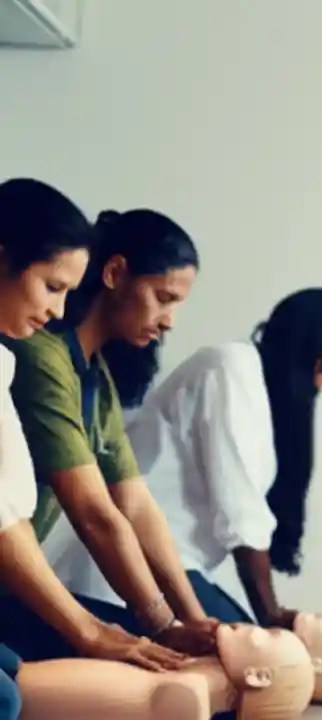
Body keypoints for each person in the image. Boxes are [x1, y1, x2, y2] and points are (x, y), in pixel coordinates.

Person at [44, 288, 322, 627]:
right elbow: (239, 511)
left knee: (254, 653)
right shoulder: (229, 367)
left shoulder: (261, 395)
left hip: (178, 567)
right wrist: (270, 616)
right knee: (257, 661)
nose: (319, 385)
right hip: (128, 568)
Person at [0, 178, 191, 720]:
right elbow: (88, 511)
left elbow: (131, 503)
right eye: (50, 286)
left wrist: (178, 622)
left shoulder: (26, 365)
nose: (57, 310)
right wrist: (129, 626)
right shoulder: (38, 359)